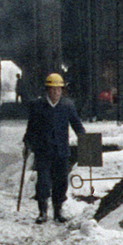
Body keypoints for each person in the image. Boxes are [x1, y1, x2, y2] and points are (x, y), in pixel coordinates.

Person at [24, 72, 85, 224]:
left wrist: (84, 138)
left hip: (61, 151)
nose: (55, 92)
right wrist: (27, 143)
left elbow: (76, 124)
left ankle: (58, 212)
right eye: (52, 89)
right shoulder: (38, 105)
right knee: (43, 182)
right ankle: (42, 212)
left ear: (62, 90)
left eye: (58, 89)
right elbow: (31, 127)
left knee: (61, 182)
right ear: (47, 90)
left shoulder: (67, 105)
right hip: (43, 151)